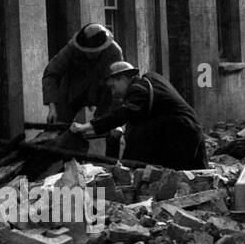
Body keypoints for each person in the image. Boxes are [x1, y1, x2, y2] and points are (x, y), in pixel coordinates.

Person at [70, 61, 209, 171]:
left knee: (179, 178)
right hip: (186, 130)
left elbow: (123, 114)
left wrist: (85, 126)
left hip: (180, 134)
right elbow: (132, 114)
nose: (113, 93)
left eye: (113, 87)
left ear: (123, 78)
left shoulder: (139, 87)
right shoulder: (147, 85)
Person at [42, 23, 123, 125]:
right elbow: (50, 74)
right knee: (58, 123)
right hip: (73, 90)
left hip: (102, 91)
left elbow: (118, 84)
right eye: (87, 51)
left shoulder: (114, 52)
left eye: (94, 51)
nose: (90, 54)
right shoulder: (71, 48)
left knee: (108, 122)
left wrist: (115, 118)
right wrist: (52, 108)